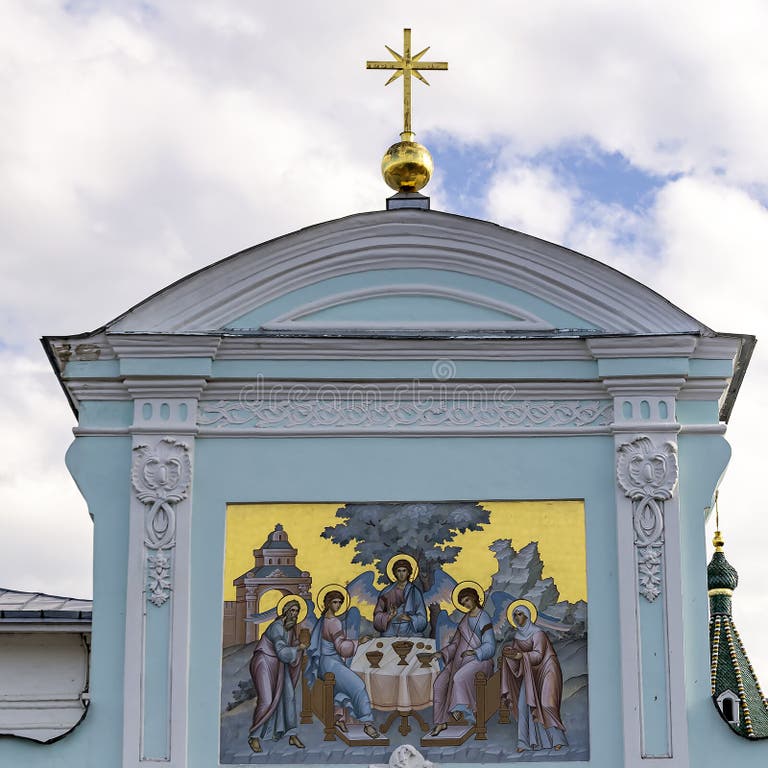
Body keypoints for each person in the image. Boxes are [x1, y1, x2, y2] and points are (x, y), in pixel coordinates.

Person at [306, 589, 380, 739]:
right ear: (327, 603)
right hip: (331, 663)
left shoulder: (322, 620)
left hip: (324, 663)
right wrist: (359, 641)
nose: (338, 605)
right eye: (334, 602)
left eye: (339, 602)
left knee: (341, 689)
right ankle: (368, 724)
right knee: (358, 686)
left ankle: (339, 718)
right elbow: (342, 649)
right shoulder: (334, 622)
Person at [429, 586, 496, 736]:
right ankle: (441, 722)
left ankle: (462, 708)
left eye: (467, 599)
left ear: (474, 598)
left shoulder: (483, 617)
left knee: (459, 678)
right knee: (439, 684)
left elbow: (490, 646)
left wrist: (476, 651)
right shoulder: (465, 620)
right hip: (459, 661)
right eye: (463, 602)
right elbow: (455, 644)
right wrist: (442, 653)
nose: (466, 604)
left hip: (480, 661)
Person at [499, 604, 567, 752]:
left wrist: (521, 656)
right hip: (530, 672)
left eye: (520, 614)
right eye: (515, 615)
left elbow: (538, 655)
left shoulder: (538, 633)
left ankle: (557, 739)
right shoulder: (518, 636)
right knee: (523, 704)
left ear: (527, 615)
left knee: (547, 704)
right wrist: (510, 653)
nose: (517, 618)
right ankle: (524, 742)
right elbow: (517, 654)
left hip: (547, 669)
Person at [248, 599, 309, 753]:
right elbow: (282, 651)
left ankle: (291, 734)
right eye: (292, 610)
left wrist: (301, 646)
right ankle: (254, 736)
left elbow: (292, 645)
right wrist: (297, 649)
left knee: (288, 695)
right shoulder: (276, 626)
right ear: (286, 611)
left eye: (297, 611)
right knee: (267, 700)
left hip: (279, 664)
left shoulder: (290, 627)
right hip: (264, 662)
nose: (295, 614)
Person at [373, 557, 428, 637]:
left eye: (404, 571)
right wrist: (389, 616)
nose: (401, 574)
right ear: (395, 573)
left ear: (408, 572)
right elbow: (377, 616)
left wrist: (410, 618)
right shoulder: (386, 593)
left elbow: (422, 618)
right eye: (399, 571)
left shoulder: (414, 592)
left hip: (410, 630)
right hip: (390, 631)